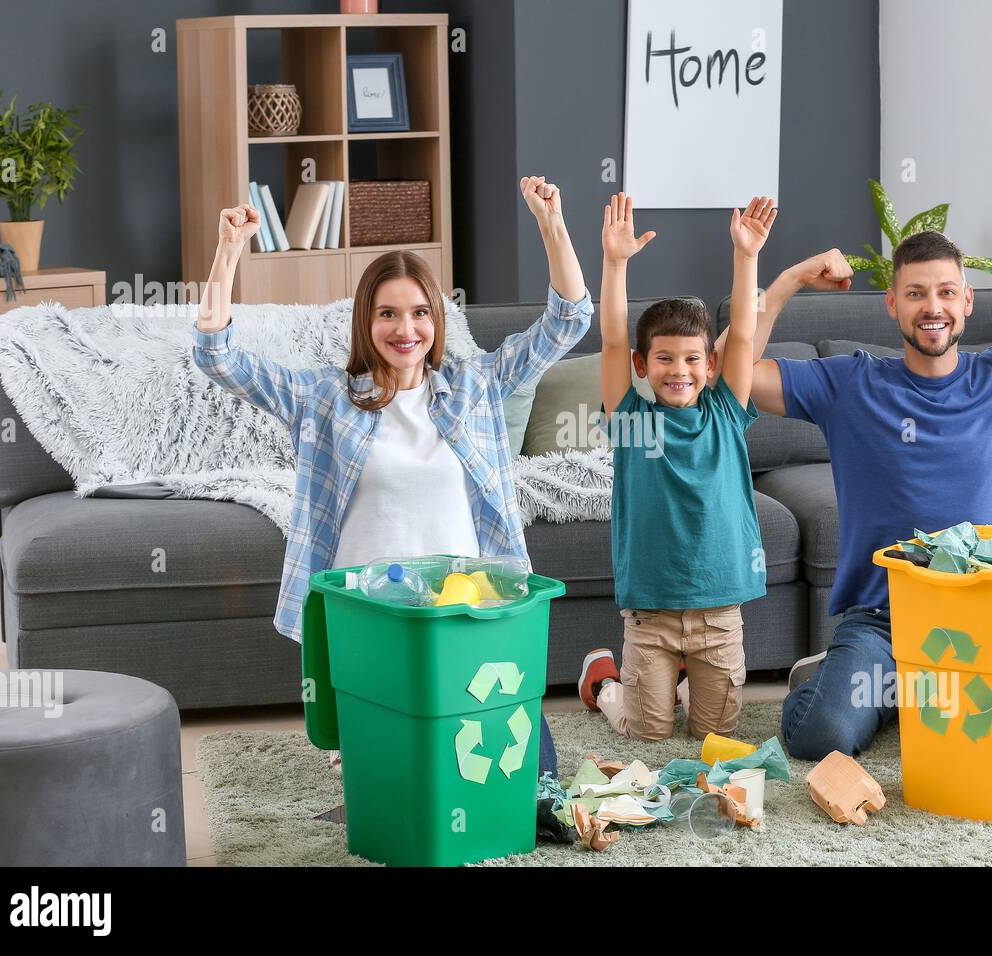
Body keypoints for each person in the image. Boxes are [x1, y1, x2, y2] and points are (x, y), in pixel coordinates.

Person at [711, 231, 992, 760]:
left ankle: (902, 691)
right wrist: (789, 280)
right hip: (885, 622)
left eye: (947, 292)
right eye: (916, 293)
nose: (933, 307)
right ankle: (858, 678)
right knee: (823, 736)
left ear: (967, 302)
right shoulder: (848, 383)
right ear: (893, 304)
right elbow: (726, 371)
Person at [192, 175, 592, 778]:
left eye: (419, 313)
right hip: (370, 613)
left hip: (461, 611)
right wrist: (228, 254)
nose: (406, 330)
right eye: (387, 314)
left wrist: (551, 224)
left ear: (436, 319)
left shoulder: (475, 387)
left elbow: (568, 321)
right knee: (397, 772)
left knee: (515, 770)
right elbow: (216, 356)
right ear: (366, 321)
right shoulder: (326, 397)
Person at [576, 193, 774, 740]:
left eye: (691, 359)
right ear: (643, 365)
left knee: (713, 739)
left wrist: (746, 255)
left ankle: (686, 686)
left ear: (709, 363)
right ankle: (604, 684)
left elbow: (745, 331)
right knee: (651, 733)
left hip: (717, 616)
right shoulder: (631, 418)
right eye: (664, 358)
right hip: (650, 618)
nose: (679, 370)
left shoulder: (726, 410)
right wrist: (615, 264)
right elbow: (614, 337)